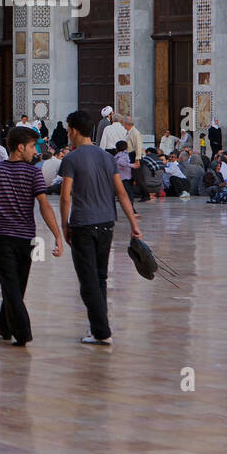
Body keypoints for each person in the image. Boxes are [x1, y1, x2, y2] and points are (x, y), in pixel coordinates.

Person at [0, 126, 64, 347]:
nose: (35, 151)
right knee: (14, 286)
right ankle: (22, 332)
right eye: (32, 146)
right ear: (20, 147)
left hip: (9, 237)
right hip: (20, 237)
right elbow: (43, 205)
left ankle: (5, 326)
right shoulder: (32, 173)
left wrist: (57, 234)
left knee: (14, 286)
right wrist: (57, 235)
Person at [59, 109, 142, 346]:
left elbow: (65, 197)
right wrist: (133, 224)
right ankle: (98, 327)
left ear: (73, 131)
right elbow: (122, 192)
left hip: (83, 224)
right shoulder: (107, 158)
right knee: (100, 277)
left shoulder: (71, 159)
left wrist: (64, 225)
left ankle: (102, 331)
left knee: (88, 281)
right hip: (107, 223)